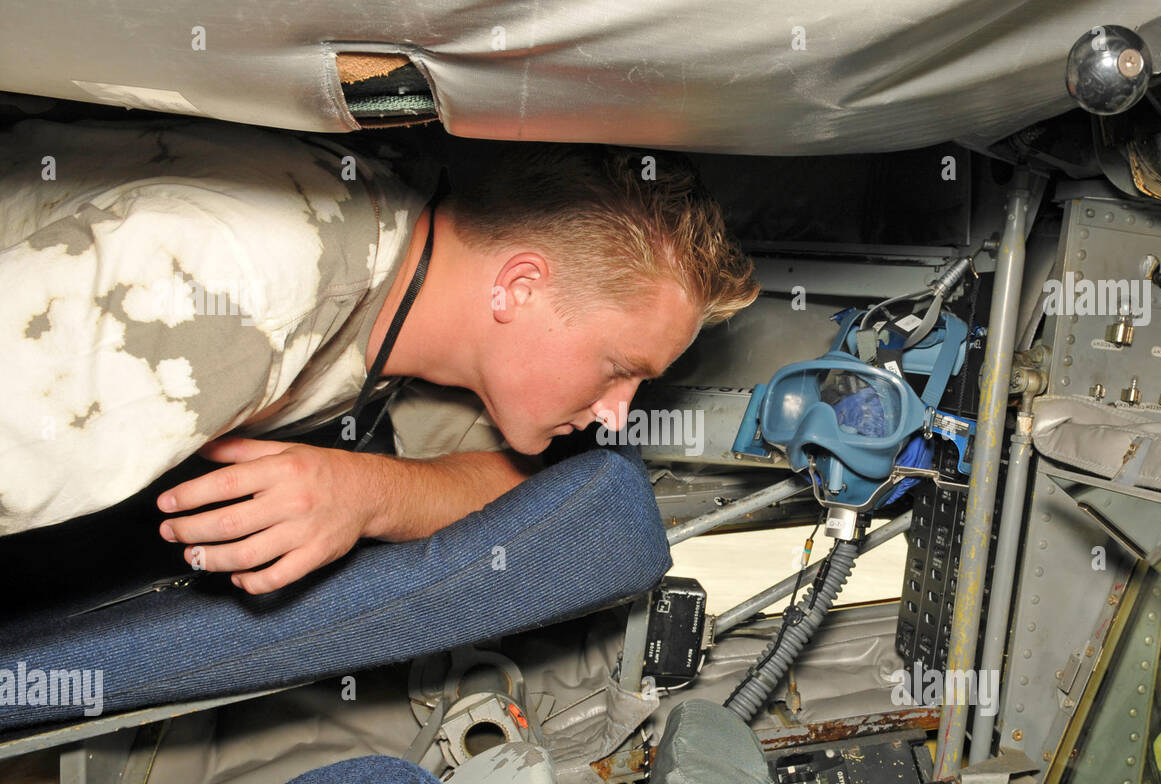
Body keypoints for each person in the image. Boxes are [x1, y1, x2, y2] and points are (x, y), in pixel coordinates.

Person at [0, 116, 759, 594]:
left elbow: (518, 487)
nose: (617, 409)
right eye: (619, 366)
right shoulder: (237, 288)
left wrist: (369, 491)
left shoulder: (407, 234)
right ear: (519, 288)